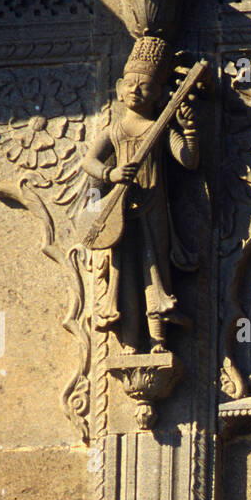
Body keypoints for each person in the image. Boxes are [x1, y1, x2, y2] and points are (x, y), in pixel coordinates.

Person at [82, 34, 199, 352]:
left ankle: (159, 339)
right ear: (119, 88)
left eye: (145, 85)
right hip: (120, 210)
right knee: (125, 276)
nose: (135, 90)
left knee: (155, 270)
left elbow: (188, 161)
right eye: (130, 84)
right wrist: (112, 173)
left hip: (153, 209)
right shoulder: (114, 131)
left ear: (160, 94)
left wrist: (189, 130)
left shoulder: (159, 128)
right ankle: (131, 342)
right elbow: (89, 162)